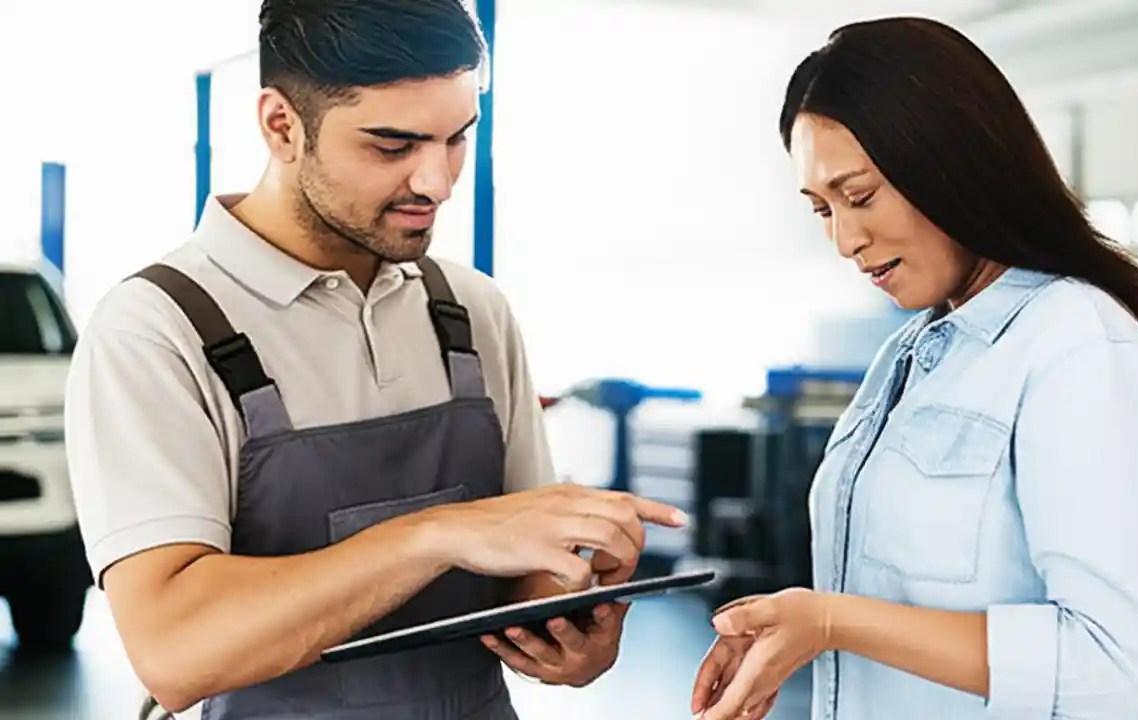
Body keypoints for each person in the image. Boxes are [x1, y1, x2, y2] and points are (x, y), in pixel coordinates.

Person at [63, 1, 685, 718]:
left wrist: (572, 618)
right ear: (280, 125)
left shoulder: (471, 311)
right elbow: (175, 653)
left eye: (457, 139)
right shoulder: (155, 329)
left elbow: (515, 574)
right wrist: (437, 534)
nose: (438, 184)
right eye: (393, 147)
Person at [691, 17, 1138, 720]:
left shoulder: (1079, 347)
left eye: (861, 196)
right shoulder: (908, 355)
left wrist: (834, 621)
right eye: (821, 209)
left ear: (952, 162)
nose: (846, 240)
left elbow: (1114, 666)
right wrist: (788, 630)